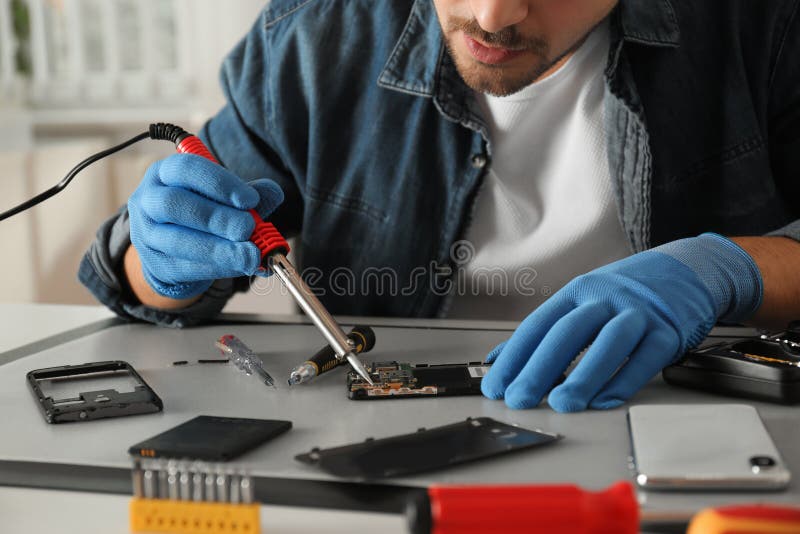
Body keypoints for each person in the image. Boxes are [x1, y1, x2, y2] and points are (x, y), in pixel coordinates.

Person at [80, 0, 800, 412]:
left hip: (674, 424)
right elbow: (141, 279)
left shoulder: (763, 27)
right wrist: (162, 257)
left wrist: (724, 270)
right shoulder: (313, 39)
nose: (493, 15)